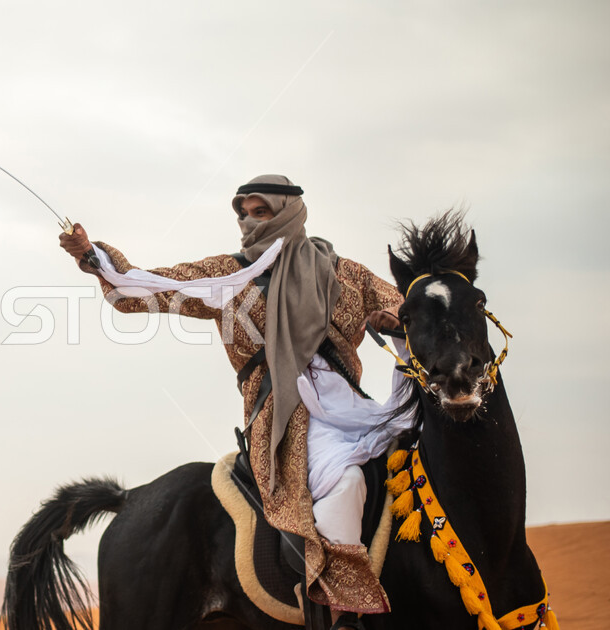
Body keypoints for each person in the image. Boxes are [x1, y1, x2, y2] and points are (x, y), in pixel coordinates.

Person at [59, 174, 409, 628]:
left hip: (354, 409)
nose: (247, 221)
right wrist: (91, 255)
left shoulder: (346, 273)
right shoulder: (227, 276)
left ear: (288, 211)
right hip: (283, 422)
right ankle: (340, 611)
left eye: (259, 211)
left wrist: (402, 319)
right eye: (242, 213)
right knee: (345, 482)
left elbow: (412, 311)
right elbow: (145, 288)